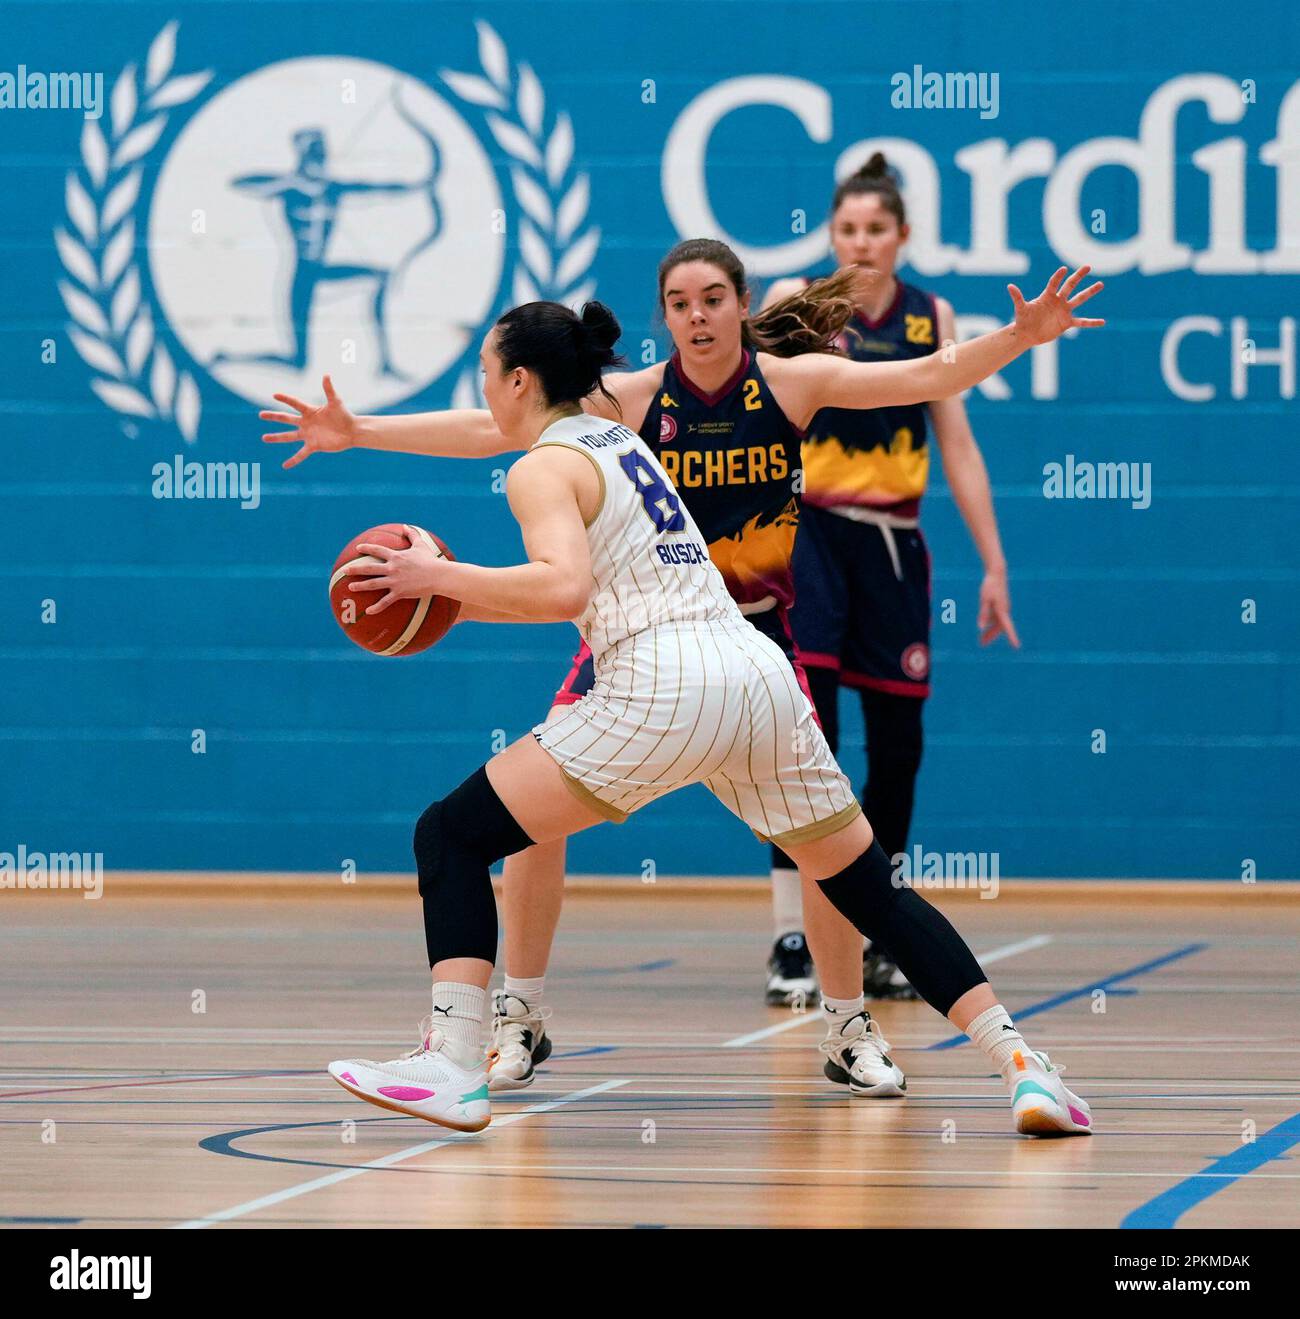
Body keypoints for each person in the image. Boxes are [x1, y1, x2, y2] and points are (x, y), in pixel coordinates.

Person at [272, 278, 1103, 1138]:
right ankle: (1025, 1067)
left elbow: (562, 589)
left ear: (520, 380)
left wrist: (438, 576)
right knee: (868, 889)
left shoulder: (542, 467)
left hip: (664, 683)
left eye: (485, 368)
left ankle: (455, 1060)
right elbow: (563, 575)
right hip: (759, 676)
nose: (481, 386)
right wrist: (442, 592)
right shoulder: (613, 435)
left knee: (449, 834)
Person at [762, 153, 1020, 1001]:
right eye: (848, 229)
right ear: (830, 234)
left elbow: (960, 446)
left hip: (894, 548)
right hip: (808, 541)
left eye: (877, 229)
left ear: (902, 236)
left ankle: (877, 927)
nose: (862, 242)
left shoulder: (929, 316)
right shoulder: (792, 304)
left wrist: (993, 561)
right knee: (808, 742)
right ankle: (794, 935)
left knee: (899, 747)